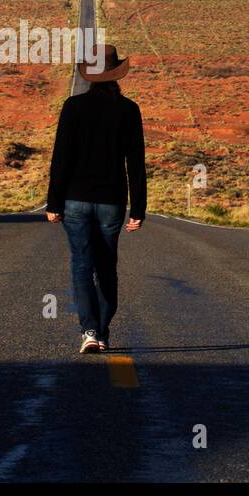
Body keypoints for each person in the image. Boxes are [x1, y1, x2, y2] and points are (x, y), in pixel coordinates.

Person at [45, 44, 146, 354]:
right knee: (106, 266)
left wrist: (54, 202)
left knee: (80, 265)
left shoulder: (73, 107)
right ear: (117, 74)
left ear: (89, 76)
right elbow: (135, 163)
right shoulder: (129, 110)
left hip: (75, 199)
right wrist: (138, 208)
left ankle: (88, 330)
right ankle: (102, 330)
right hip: (112, 201)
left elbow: (61, 157)